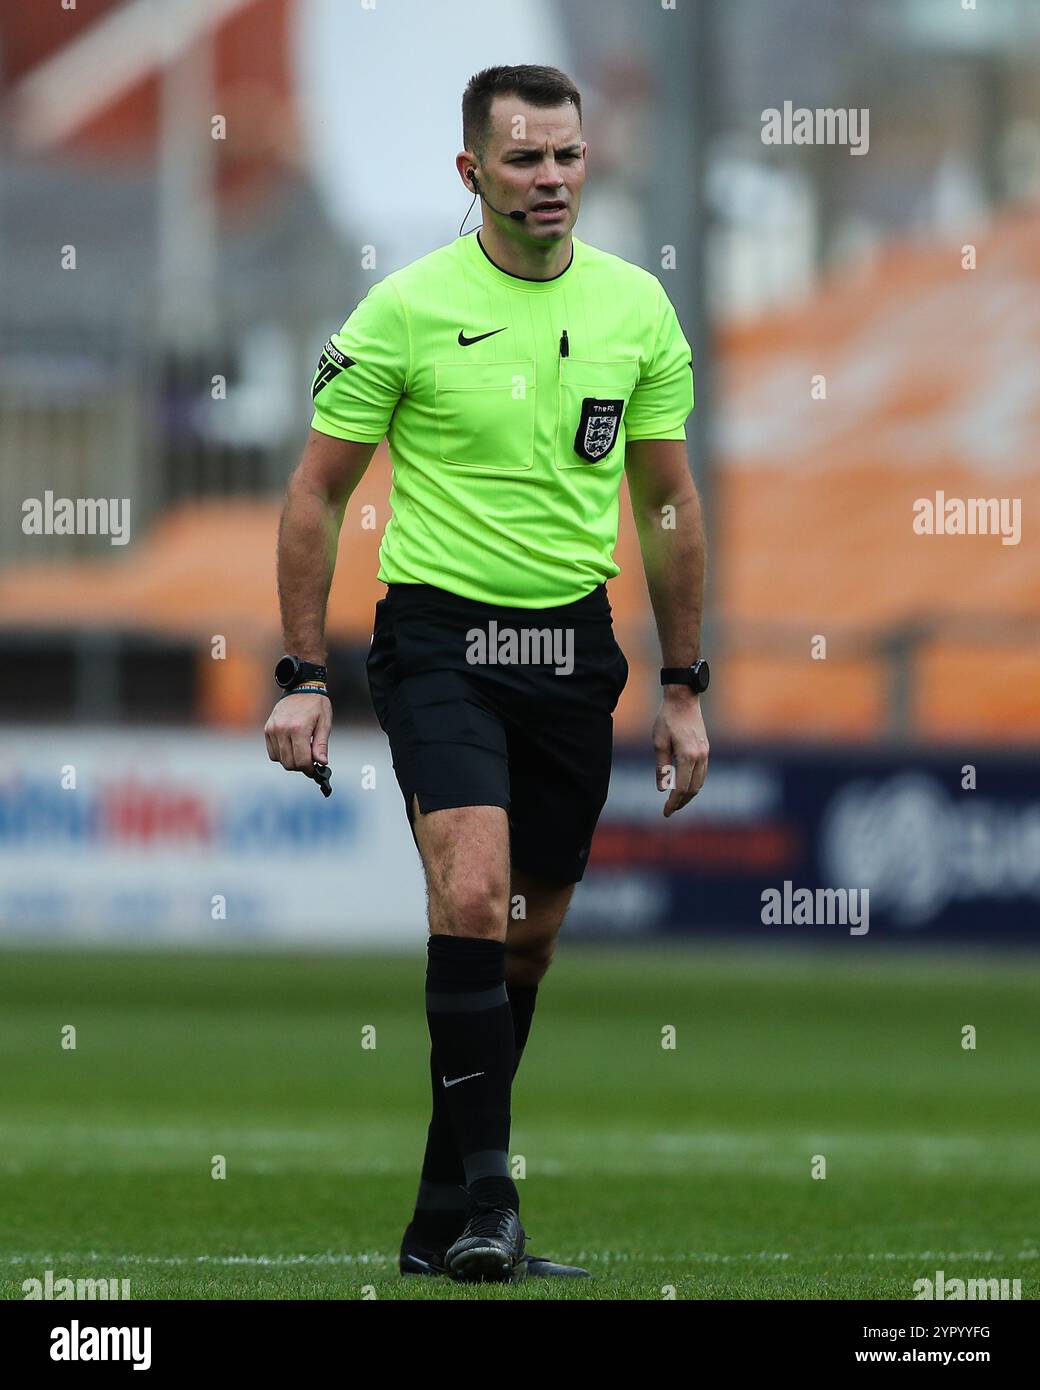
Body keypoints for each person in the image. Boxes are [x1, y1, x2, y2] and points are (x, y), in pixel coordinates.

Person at [264, 63, 709, 1284]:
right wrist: (304, 671)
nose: (550, 178)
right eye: (523, 158)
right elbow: (315, 494)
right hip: (439, 641)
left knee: (524, 940)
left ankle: (439, 1217)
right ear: (472, 171)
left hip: (572, 650)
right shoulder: (403, 309)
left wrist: (683, 683)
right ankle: (496, 1203)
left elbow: (666, 504)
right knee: (470, 895)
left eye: (566, 155)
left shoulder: (636, 308)